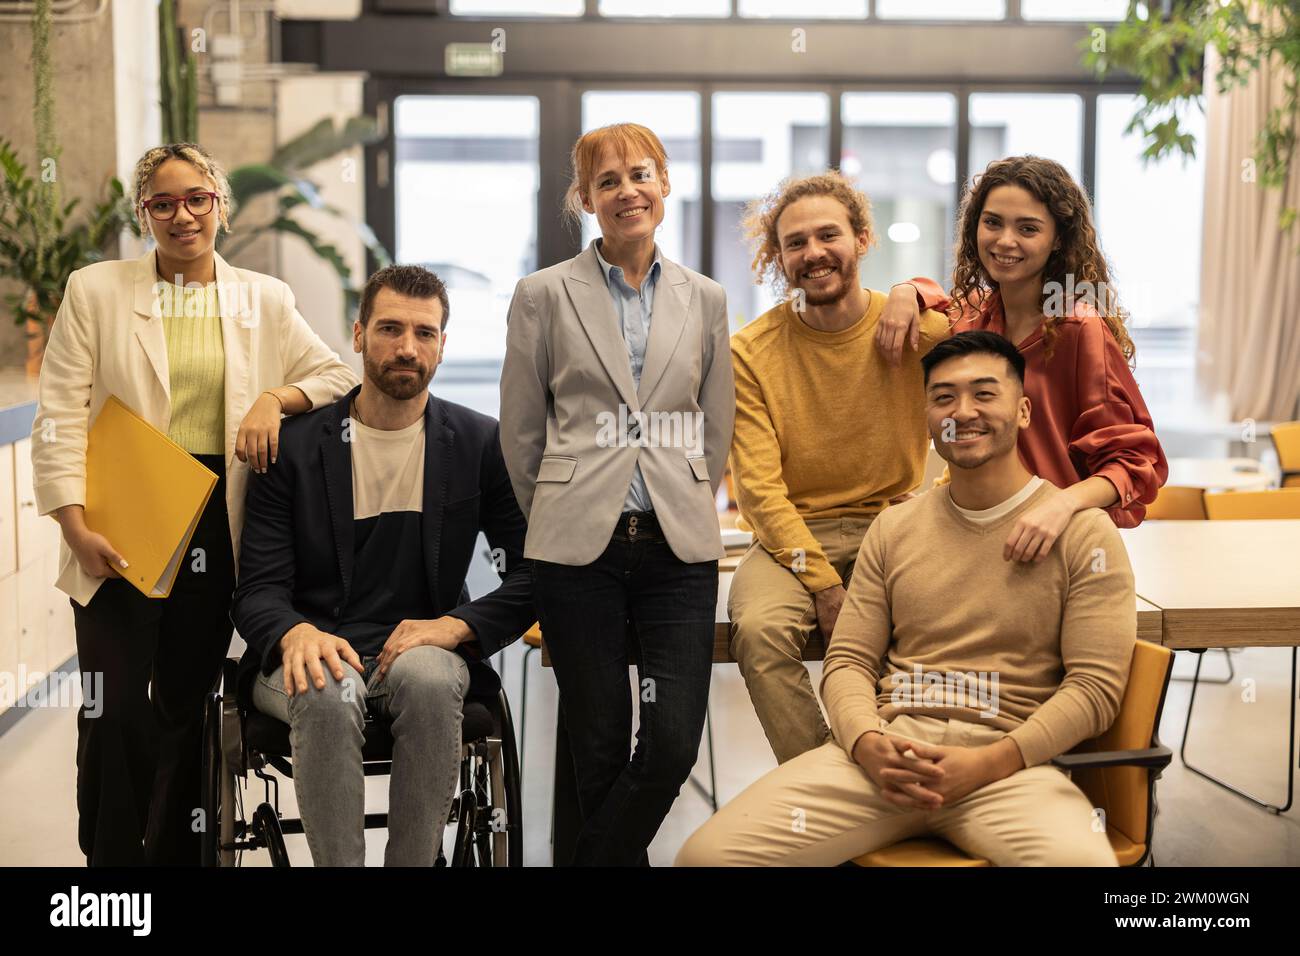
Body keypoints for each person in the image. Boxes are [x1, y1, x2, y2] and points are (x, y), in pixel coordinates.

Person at [677, 330, 1135, 867]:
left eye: (985, 394)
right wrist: (866, 742)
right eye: (943, 397)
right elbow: (848, 661)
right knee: (707, 858)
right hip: (885, 758)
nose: (963, 412)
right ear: (926, 417)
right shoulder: (893, 529)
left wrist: (992, 761)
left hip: (1009, 768)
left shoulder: (1083, 533)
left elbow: (1095, 689)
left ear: (1025, 411)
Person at [31, 143, 358, 866]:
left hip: (216, 519)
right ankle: (111, 865)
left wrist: (275, 396)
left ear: (221, 205)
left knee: (184, 708)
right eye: (163, 203)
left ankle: (178, 858)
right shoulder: (96, 291)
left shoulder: (263, 299)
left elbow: (336, 374)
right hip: (119, 519)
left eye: (197, 199)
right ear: (143, 213)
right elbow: (57, 415)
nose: (182, 216)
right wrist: (73, 525)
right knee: (112, 710)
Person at [232, 264, 533, 866]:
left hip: (421, 647)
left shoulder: (478, 444)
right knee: (325, 685)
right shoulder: (292, 449)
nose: (406, 347)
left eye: (425, 333)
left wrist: (458, 626)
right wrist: (295, 633)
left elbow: (532, 574)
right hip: (313, 642)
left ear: (443, 346)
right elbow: (258, 588)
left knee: (426, 678)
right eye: (390, 328)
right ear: (358, 334)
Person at [499, 123, 734, 865]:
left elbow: (715, 424)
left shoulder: (706, 298)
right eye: (607, 182)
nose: (627, 191)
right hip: (578, 548)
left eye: (640, 174)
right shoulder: (543, 294)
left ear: (664, 184)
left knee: (669, 740)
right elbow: (521, 429)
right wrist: (556, 509)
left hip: (677, 547)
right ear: (585, 200)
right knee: (595, 744)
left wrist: (687, 490)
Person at [727, 170, 951, 764]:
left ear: (861, 239)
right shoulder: (749, 352)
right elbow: (759, 492)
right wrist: (825, 586)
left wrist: (941, 494)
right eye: (795, 243)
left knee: (941, 626)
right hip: (793, 539)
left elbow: (986, 413)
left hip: (900, 526)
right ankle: (827, 781)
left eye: (829, 235)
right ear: (778, 257)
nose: (814, 253)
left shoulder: (919, 331)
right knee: (759, 629)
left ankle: (920, 763)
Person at [875, 155, 1167, 561]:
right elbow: (941, 300)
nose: (1004, 241)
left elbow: (1135, 462)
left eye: (1027, 228)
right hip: (980, 540)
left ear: (1058, 239)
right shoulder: (974, 316)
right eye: (992, 222)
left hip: (1056, 546)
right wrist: (906, 290)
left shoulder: (1080, 330)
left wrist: (1061, 504)